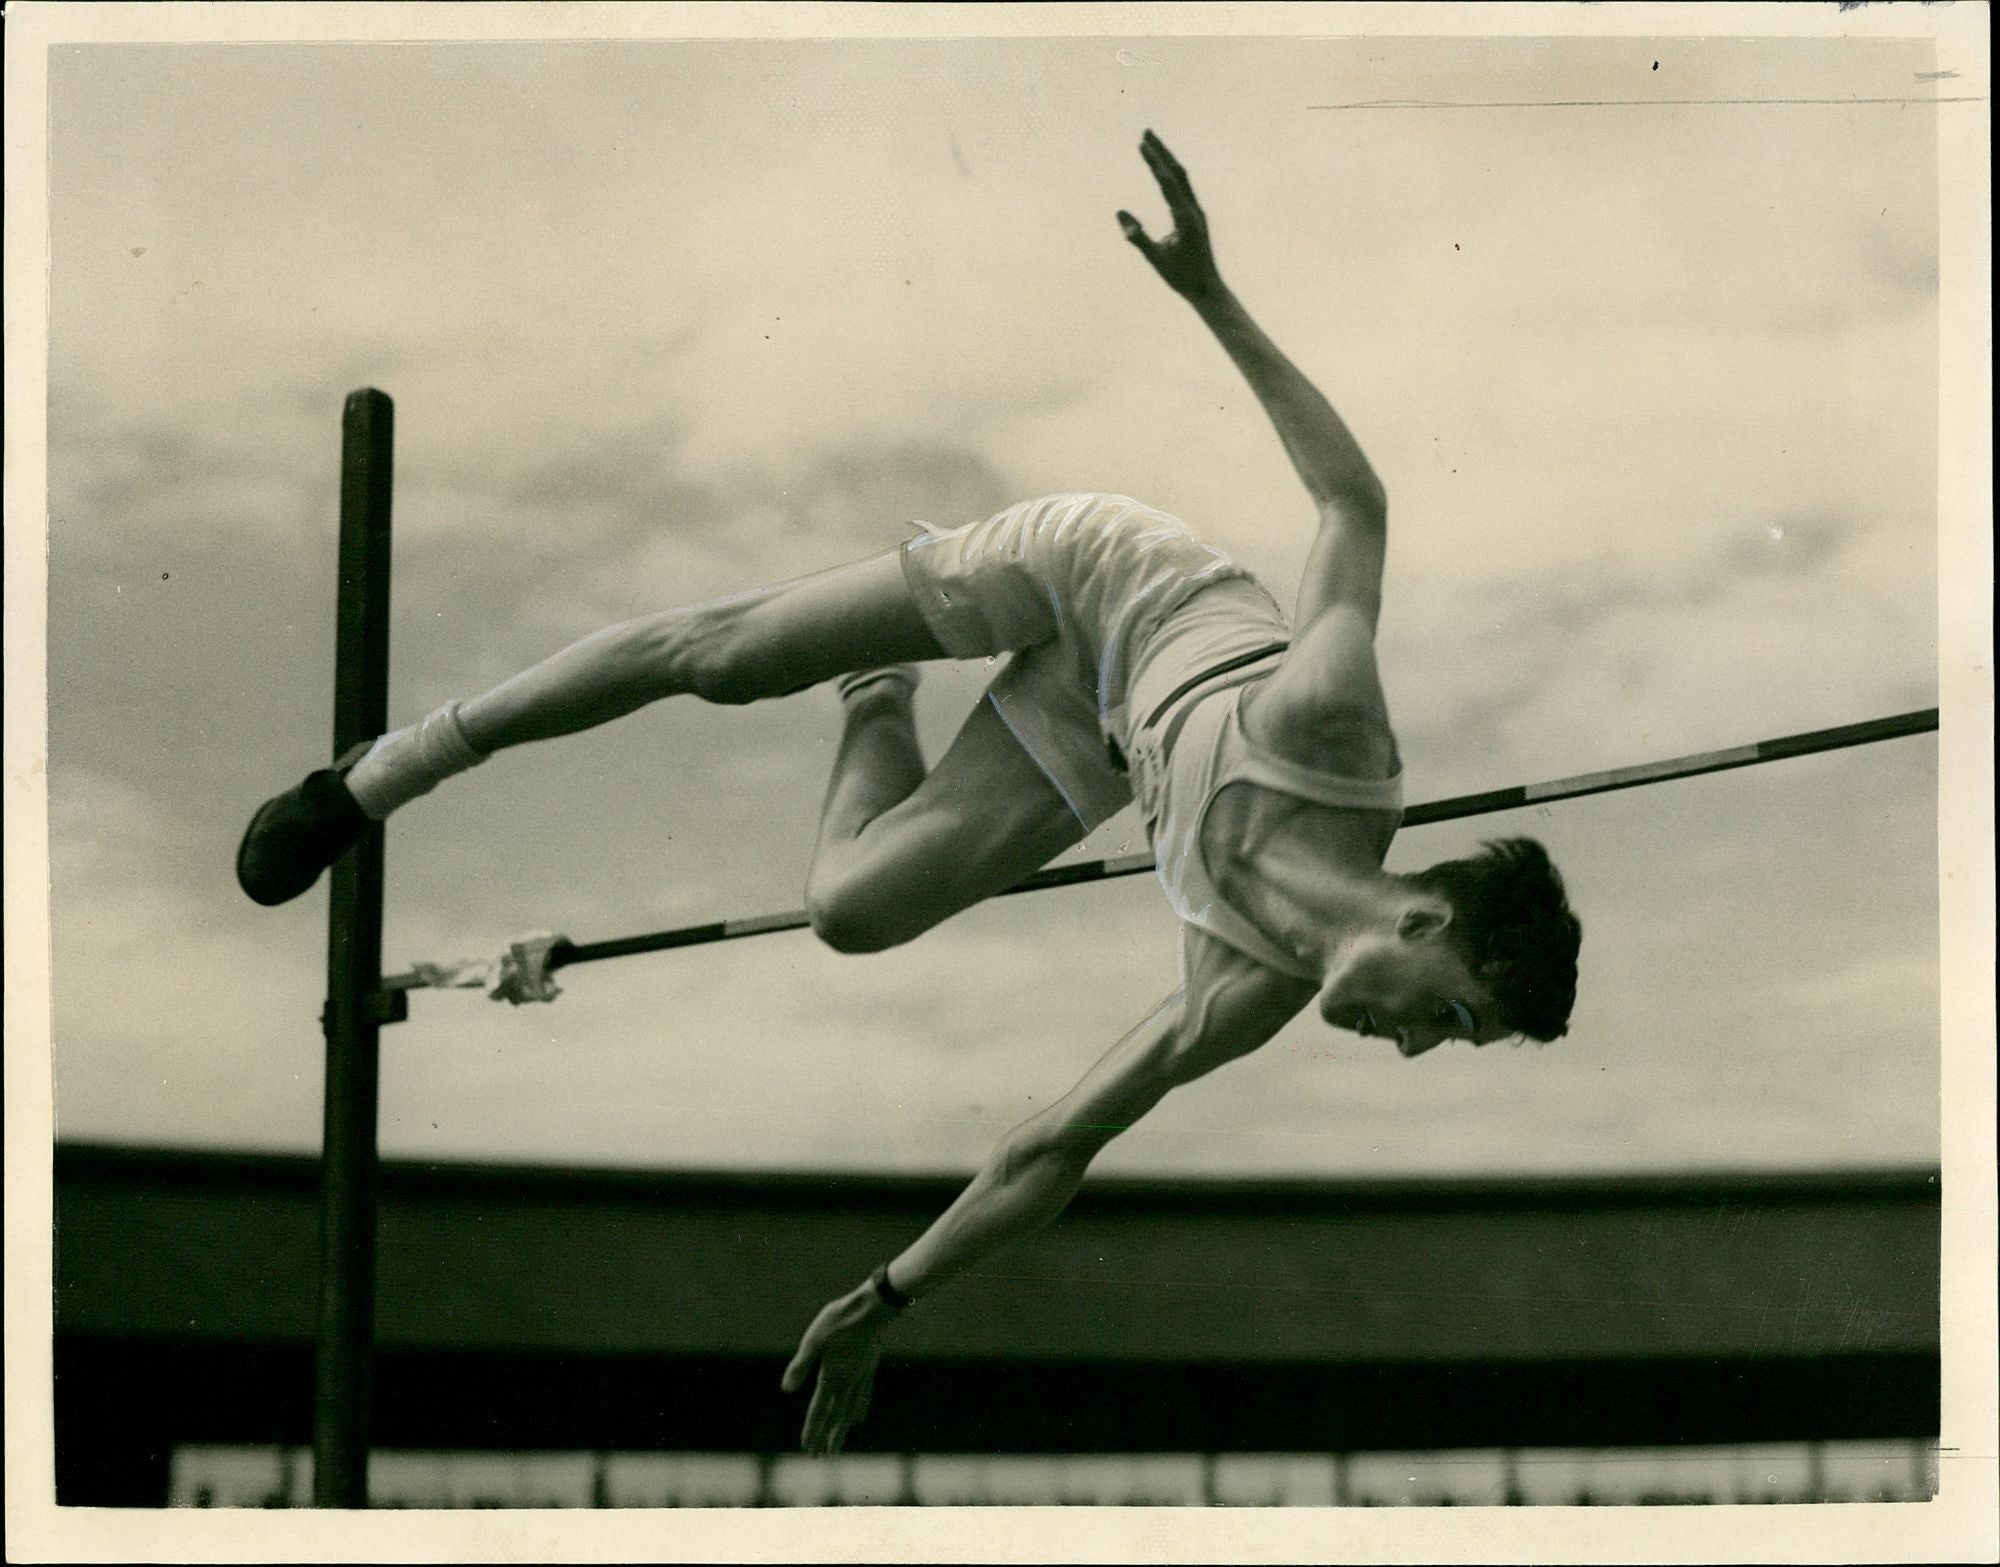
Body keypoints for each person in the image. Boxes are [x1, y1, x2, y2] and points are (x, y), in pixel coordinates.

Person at [237, 131, 1581, 1454]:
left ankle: (878, 689)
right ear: (1422, 922)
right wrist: (1209, 295)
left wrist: (892, 1295)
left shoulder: (1250, 991)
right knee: (723, 659)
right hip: (1109, 580)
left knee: (854, 911)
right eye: (1452, 1021)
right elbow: (1354, 506)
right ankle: (384, 776)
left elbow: (1055, 1146)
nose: (1412, 1052)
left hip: (1108, 726)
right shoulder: (1332, 733)